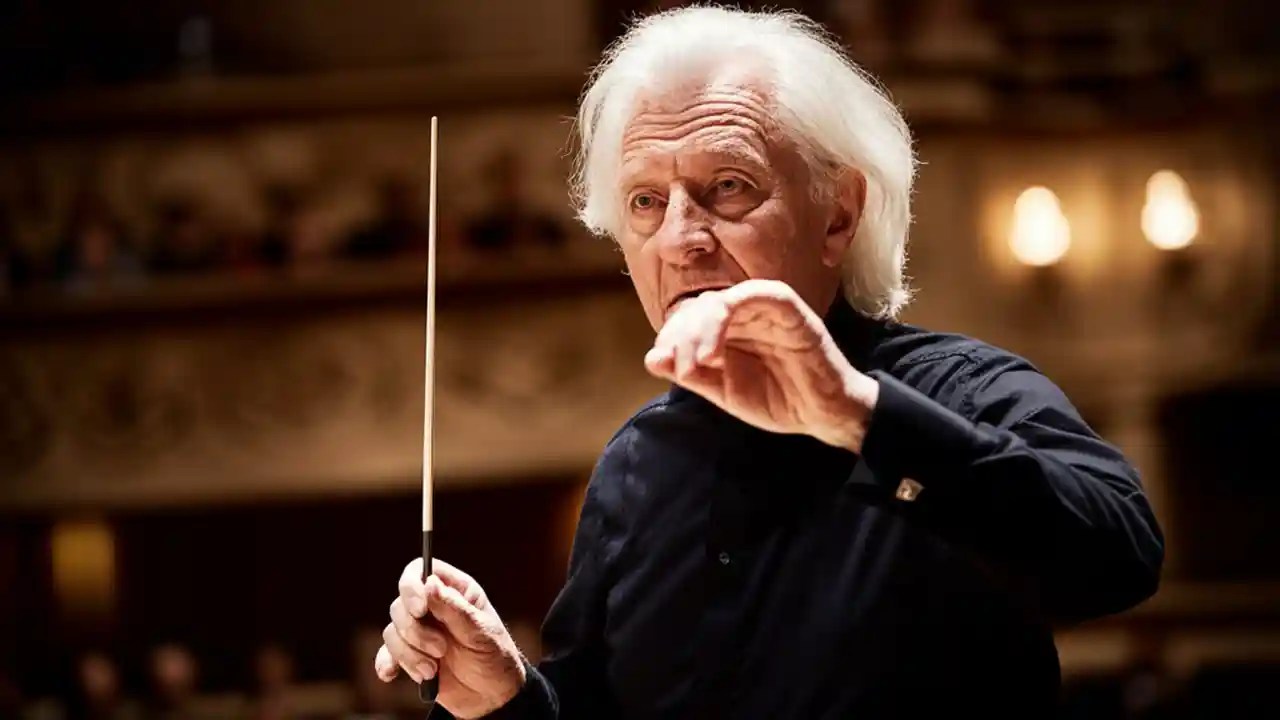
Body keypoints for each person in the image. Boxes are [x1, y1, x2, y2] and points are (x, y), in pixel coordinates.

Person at [373, 6, 1165, 718]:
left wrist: (857, 415)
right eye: (646, 203)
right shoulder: (636, 465)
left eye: (727, 187)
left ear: (838, 217)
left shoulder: (967, 391)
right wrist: (507, 696)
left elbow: (1121, 557)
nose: (681, 240)